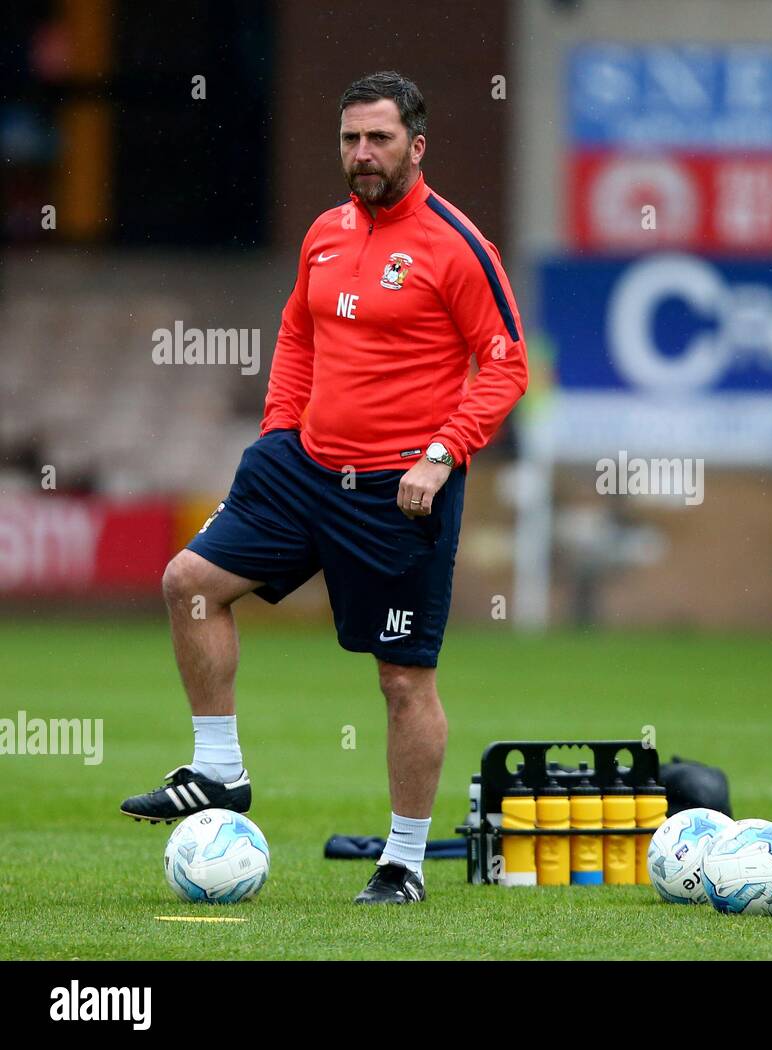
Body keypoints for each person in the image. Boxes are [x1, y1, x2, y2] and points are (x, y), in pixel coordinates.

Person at [120, 72, 529, 904]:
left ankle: (403, 863)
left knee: (402, 680)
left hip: (400, 491)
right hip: (302, 466)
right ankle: (219, 772)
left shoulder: (457, 245)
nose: (362, 154)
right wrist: (277, 430)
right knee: (189, 583)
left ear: (417, 145)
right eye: (350, 139)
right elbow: (300, 331)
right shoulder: (324, 233)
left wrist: (443, 454)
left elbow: (507, 362)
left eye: (378, 139)